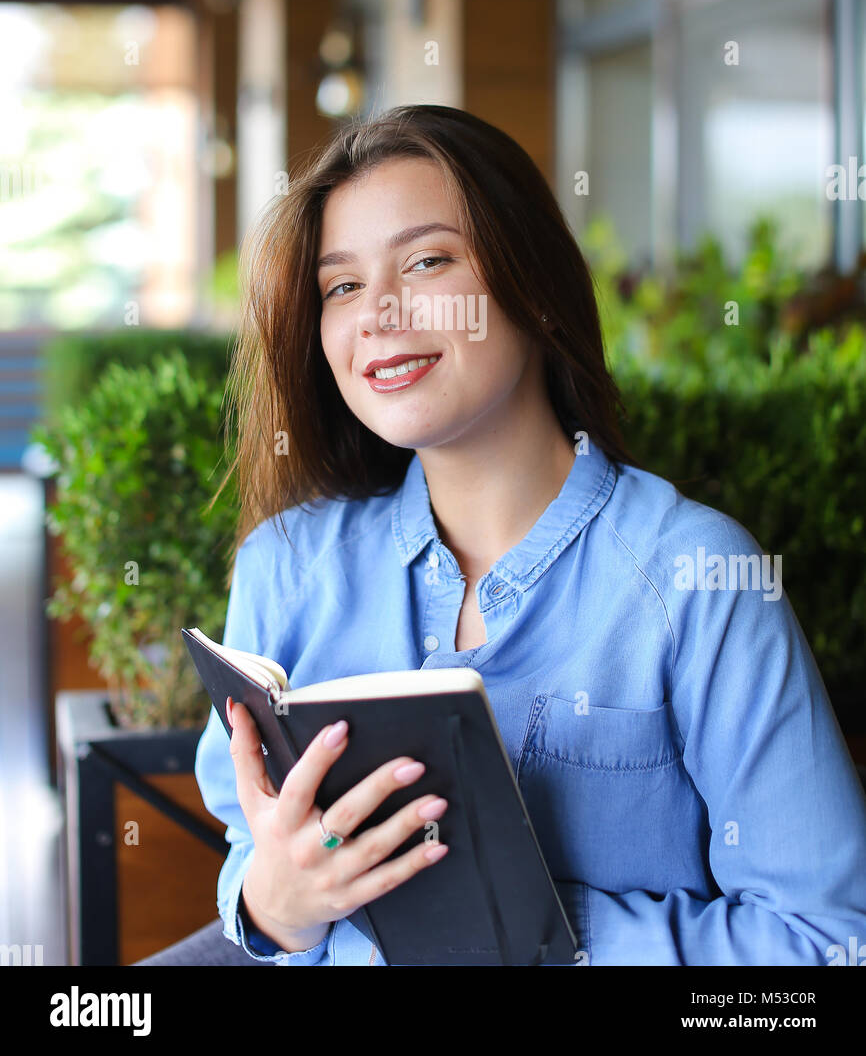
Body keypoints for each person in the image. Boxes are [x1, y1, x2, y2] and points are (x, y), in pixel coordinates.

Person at [140, 104, 866, 967]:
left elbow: (827, 943)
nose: (377, 312)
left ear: (537, 288)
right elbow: (245, 865)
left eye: (428, 260)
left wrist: (538, 931)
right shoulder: (288, 566)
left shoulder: (698, 579)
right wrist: (278, 901)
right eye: (342, 285)